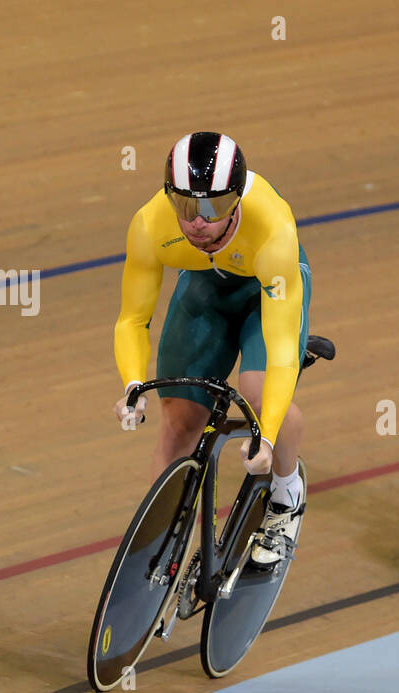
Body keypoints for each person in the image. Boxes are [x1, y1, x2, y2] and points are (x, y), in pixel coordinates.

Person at [112, 132, 312, 564]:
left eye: (213, 208)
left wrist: (268, 434)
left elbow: (280, 353)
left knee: (258, 394)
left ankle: (286, 495)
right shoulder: (150, 225)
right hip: (207, 289)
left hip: (266, 292)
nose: (198, 222)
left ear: (237, 200)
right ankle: (154, 555)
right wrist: (131, 381)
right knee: (179, 421)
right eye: (185, 206)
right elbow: (132, 319)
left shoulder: (274, 229)